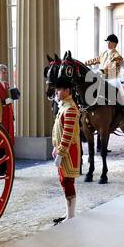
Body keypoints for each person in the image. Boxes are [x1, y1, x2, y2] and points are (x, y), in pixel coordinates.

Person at [50, 77, 81, 224]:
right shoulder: (64, 106)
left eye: (59, 89)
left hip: (68, 153)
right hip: (63, 151)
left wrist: (61, 153)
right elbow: (58, 130)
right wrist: (56, 147)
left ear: (67, 90)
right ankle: (68, 212)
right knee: (64, 182)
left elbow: (67, 134)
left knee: (68, 182)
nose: (57, 92)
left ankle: (71, 215)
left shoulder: (70, 108)